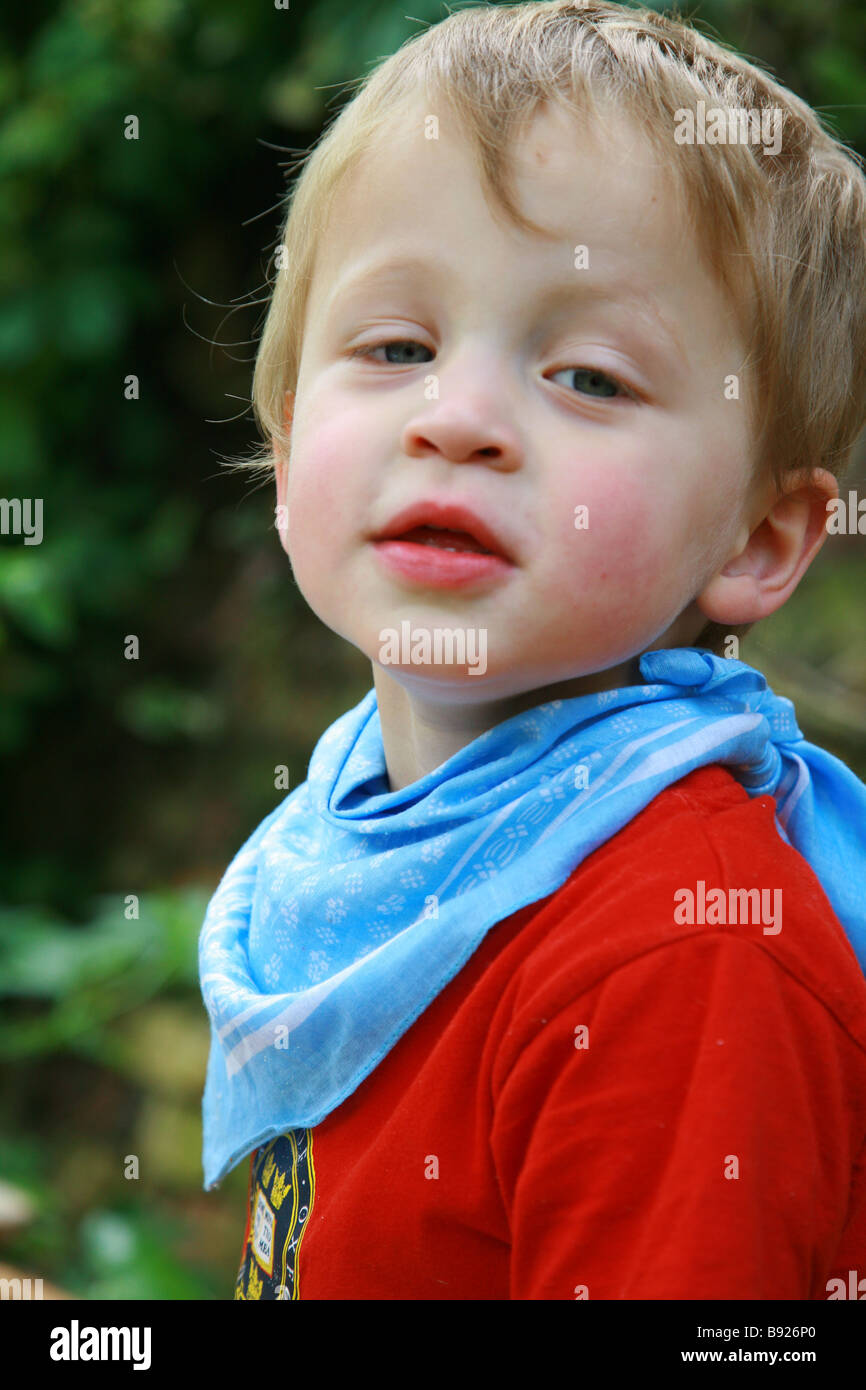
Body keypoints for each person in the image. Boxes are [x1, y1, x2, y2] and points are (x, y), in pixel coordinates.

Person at [198, 0, 866, 1299]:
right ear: (284, 448)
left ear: (758, 537)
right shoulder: (352, 840)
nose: (458, 419)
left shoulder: (681, 957)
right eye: (396, 347)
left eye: (590, 377)